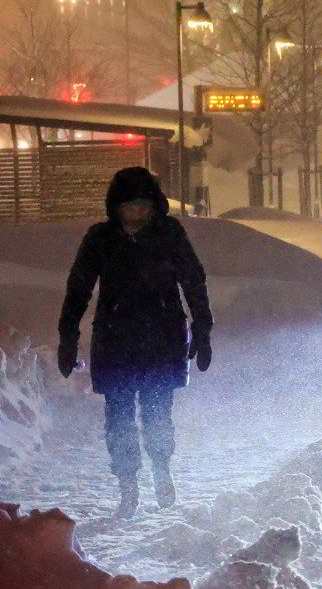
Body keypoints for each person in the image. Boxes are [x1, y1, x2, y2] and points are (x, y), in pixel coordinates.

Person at [57, 167, 214, 517]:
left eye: (143, 207)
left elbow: (193, 280)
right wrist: (68, 335)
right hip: (116, 339)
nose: (137, 214)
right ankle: (127, 485)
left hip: (162, 336)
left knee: (158, 412)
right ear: (116, 207)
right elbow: (79, 287)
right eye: (130, 207)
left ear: (154, 206)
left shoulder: (169, 234)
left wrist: (203, 327)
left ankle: (162, 468)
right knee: (119, 418)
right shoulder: (100, 238)